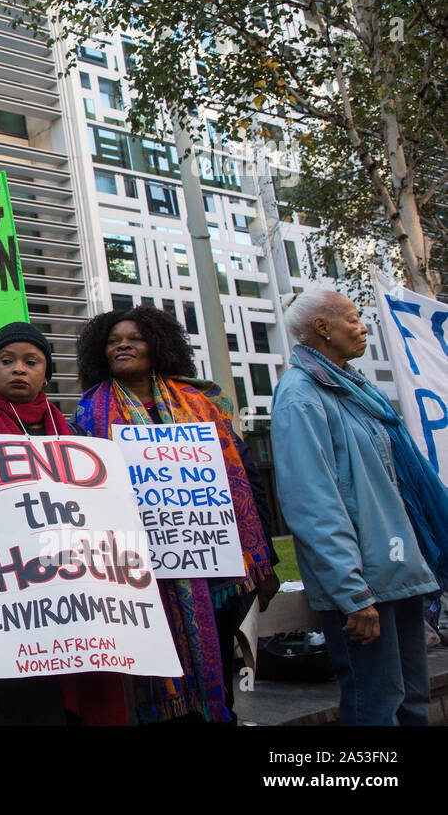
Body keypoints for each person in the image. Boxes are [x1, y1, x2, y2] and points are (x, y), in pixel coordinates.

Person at [75, 306, 276, 723]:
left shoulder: (203, 402)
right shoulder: (87, 414)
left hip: (213, 569)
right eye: (114, 341)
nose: (123, 345)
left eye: (135, 338)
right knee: (155, 686)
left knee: (219, 667)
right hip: (139, 578)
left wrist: (262, 557)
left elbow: (243, 474)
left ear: (157, 345)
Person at [0, 321, 130, 724]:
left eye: (30, 361)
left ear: (46, 373)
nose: (18, 369)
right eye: (7, 360)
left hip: (74, 612)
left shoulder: (74, 437)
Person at [271, 290, 447, 725]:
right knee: (376, 704)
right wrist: (352, 594)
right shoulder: (301, 395)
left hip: (397, 570)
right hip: (364, 585)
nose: (363, 326)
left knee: (411, 701)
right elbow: (313, 503)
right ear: (323, 329)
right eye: (352, 318)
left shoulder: (355, 390)